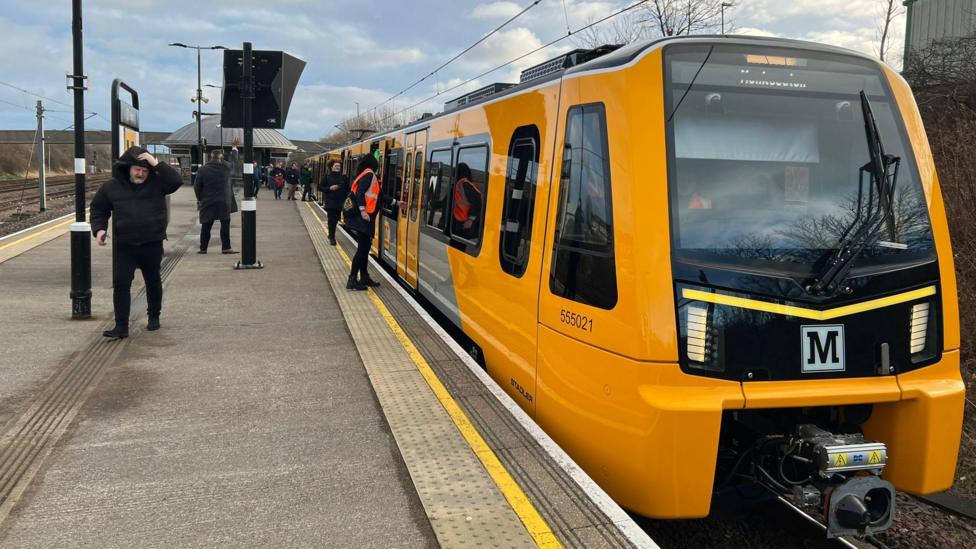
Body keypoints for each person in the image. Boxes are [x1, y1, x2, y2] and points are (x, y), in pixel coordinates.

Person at [90, 146, 182, 339]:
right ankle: (121, 326)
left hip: (152, 242)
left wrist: (155, 162)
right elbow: (99, 209)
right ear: (128, 168)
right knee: (121, 284)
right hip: (124, 245)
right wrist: (99, 229)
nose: (141, 174)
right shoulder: (112, 187)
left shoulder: (157, 183)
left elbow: (176, 181)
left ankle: (154, 317)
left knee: (153, 281)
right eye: (137, 169)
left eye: (144, 170)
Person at [345, 154, 403, 290]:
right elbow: (360, 193)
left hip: (365, 218)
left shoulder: (366, 175)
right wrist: (363, 210)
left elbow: (380, 195)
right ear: (374, 164)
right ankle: (352, 279)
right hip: (364, 218)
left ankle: (364, 277)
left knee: (364, 249)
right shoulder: (369, 175)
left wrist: (397, 202)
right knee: (362, 249)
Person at [194, 147, 239, 254]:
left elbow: (197, 186)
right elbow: (233, 161)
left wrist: (200, 199)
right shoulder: (227, 167)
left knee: (206, 225)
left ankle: (203, 248)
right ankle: (226, 248)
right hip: (224, 201)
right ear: (222, 158)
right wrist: (234, 149)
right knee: (225, 224)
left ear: (210, 157)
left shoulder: (202, 169)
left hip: (208, 201)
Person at [451, 163, 483, 240]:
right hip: (459, 223)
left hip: (464, 224)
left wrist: (470, 220)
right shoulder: (461, 185)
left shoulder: (464, 185)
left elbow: (478, 203)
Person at [320, 159, 349, 245]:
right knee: (331, 220)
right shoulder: (327, 176)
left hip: (340, 202)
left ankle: (331, 235)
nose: (338, 167)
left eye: (339, 166)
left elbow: (348, 189)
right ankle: (332, 237)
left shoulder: (344, 177)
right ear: (331, 167)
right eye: (336, 166)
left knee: (336, 220)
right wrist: (329, 188)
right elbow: (320, 187)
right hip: (330, 202)